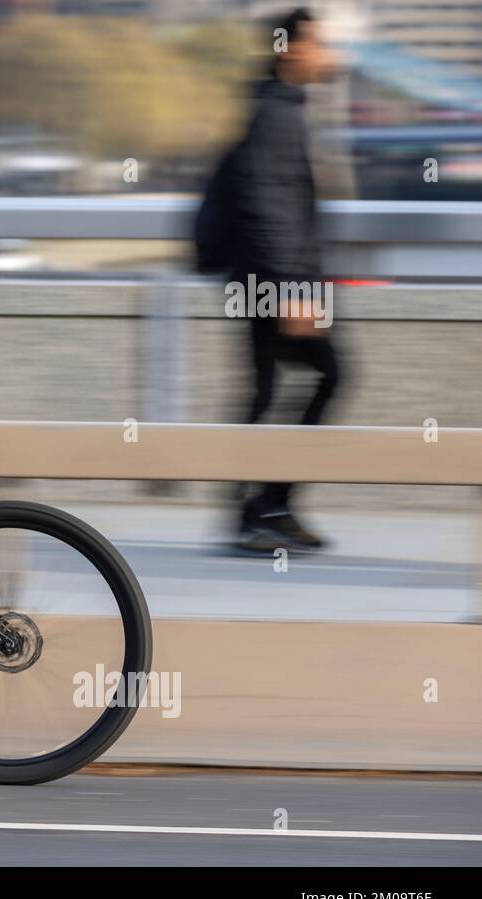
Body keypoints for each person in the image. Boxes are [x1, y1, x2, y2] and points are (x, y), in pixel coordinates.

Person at [231, 8, 342, 554]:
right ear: (289, 50)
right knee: (332, 374)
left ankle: (257, 510)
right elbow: (266, 207)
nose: (325, 54)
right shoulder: (276, 115)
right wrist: (293, 293)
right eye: (318, 44)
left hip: (268, 281)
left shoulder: (278, 107)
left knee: (264, 391)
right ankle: (264, 507)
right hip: (274, 285)